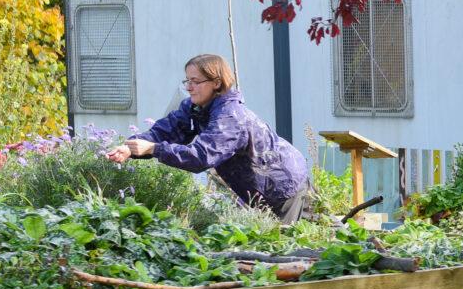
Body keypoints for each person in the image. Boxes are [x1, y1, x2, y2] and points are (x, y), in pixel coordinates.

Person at [106, 54, 312, 224]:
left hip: (283, 187)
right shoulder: (196, 108)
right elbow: (166, 130)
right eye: (187, 80)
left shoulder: (230, 116)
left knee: (286, 247)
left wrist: (154, 149)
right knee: (321, 233)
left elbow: (201, 156)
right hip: (261, 189)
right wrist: (130, 147)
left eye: (195, 81)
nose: (189, 87)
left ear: (216, 83)